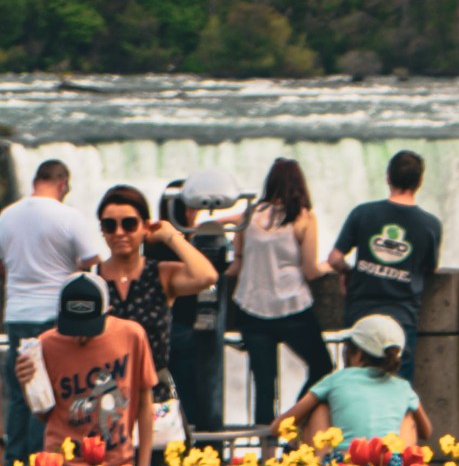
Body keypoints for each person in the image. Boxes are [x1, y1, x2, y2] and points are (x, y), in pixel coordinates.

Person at [96, 185, 216, 450]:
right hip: (105, 399)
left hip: (154, 398)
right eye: (109, 225)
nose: (119, 233)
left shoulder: (161, 275)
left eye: (129, 224)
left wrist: (171, 236)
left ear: (144, 227)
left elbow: (207, 276)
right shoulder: (92, 281)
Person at [2, 159, 107, 461]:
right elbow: (91, 263)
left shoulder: (6, 216)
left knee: (20, 392)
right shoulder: (68, 217)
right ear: (62, 184)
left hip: (17, 314)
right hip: (53, 315)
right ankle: (42, 460)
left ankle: (12, 464)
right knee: (48, 394)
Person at [232, 158, 336, 439]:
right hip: (293, 309)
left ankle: (265, 457)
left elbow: (236, 264)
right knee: (323, 368)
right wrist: (332, 266)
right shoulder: (304, 217)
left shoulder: (250, 214)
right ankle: (294, 422)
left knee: (265, 388)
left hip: (252, 309)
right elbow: (312, 270)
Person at [14, 273, 154, 466]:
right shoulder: (46, 344)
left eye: (89, 328)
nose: (80, 336)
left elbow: (145, 402)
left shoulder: (132, 336)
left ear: (108, 311)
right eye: (72, 327)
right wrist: (28, 384)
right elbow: (45, 415)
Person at [162, 169, 245, 439]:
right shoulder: (183, 246)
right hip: (188, 332)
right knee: (199, 401)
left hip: (172, 332)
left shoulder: (157, 240)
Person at [327, 151, 442, 339]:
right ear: (419, 182)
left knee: (358, 368)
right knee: (396, 368)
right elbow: (429, 268)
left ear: (388, 178)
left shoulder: (362, 213)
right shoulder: (430, 225)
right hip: (401, 317)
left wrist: (347, 272)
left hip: (360, 313)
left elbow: (334, 258)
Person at [291, 313, 430, 454]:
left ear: (357, 353)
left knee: (320, 408)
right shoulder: (403, 387)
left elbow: (287, 421)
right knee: (408, 416)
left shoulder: (336, 379)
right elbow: (426, 431)